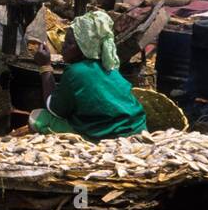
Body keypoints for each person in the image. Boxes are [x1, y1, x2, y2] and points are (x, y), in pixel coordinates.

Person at [30, 10, 147, 141]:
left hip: (111, 137)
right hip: (138, 129)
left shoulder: (76, 71)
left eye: (69, 43)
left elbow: (54, 109)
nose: (63, 46)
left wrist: (45, 66)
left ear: (84, 48)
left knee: (37, 117)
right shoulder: (110, 66)